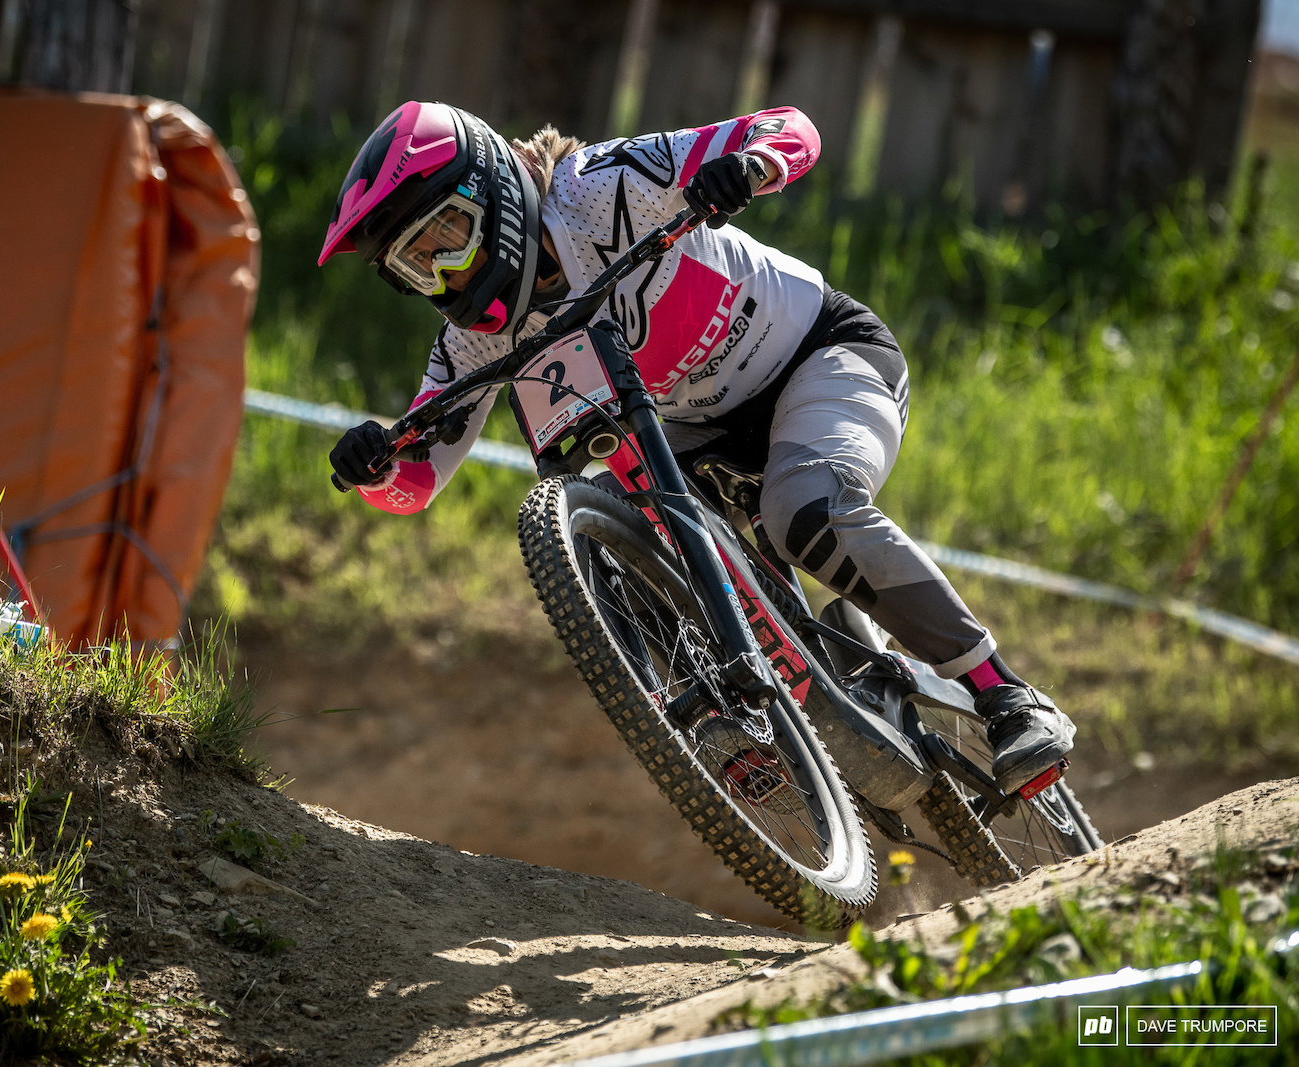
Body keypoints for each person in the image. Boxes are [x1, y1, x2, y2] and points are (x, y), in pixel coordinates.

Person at [318, 100, 1074, 793]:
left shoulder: (603, 188)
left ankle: (1006, 696)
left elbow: (792, 128)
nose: (445, 272)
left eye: (447, 233)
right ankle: (724, 717)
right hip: (702, 439)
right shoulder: (474, 344)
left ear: (493, 190)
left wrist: (751, 166)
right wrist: (376, 465)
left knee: (802, 509)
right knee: (614, 522)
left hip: (821, 356)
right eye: (418, 266)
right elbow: (415, 483)